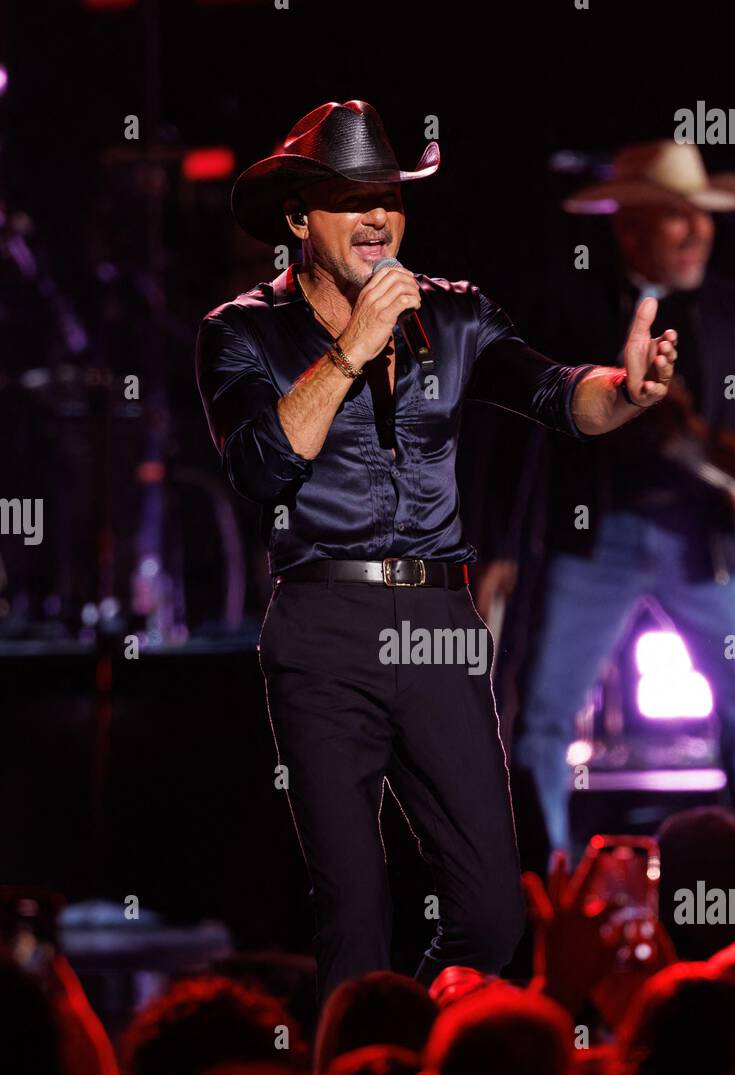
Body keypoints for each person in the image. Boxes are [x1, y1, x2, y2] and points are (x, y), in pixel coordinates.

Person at [196, 101, 678, 1001]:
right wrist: (350, 350)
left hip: (438, 623)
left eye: (389, 195)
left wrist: (627, 391)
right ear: (299, 219)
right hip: (322, 622)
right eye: (351, 199)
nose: (378, 217)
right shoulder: (241, 331)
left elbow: (552, 392)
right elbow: (260, 469)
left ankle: (404, 1048)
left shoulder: (452, 314)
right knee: (355, 911)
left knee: (492, 915)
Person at [482, 141, 735, 863]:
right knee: (542, 721)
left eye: (702, 218)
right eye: (675, 219)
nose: (697, 232)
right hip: (596, 540)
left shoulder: (733, 309)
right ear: (627, 228)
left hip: (706, 540)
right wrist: (496, 545)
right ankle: (549, 895)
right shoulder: (567, 306)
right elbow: (509, 430)